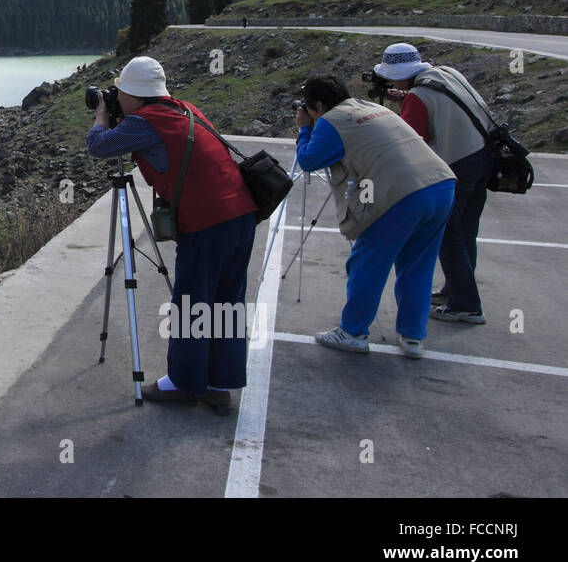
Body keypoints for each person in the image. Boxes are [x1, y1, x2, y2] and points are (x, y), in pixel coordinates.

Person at [87, 56, 257, 411]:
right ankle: (218, 384)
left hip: (207, 222)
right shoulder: (184, 109)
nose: (117, 97)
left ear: (132, 94)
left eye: (119, 92)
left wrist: (102, 115)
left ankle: (182, 383)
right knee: (226, 301)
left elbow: (99, 146)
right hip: (241, 214)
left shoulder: (144, 122)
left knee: (193, 304)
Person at [295, 76, 455, 358]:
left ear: (318, 105)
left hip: (400, 194)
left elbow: (309, 161)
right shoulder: (367, 106)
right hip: (440, 185)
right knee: (418, 265)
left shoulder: (331, 120)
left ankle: (353, 331)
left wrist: (304, 130)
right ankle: (413, 337)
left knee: (368, 262)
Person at [377, 43, 494, 325]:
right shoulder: (446, 74)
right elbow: (445, 106)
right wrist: (406, 98)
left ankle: (465, 304)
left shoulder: (418, 96)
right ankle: (456, 289)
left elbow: (410, 142)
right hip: (485, 155)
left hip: (458, 163)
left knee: (447, 232)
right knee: (466, 229)